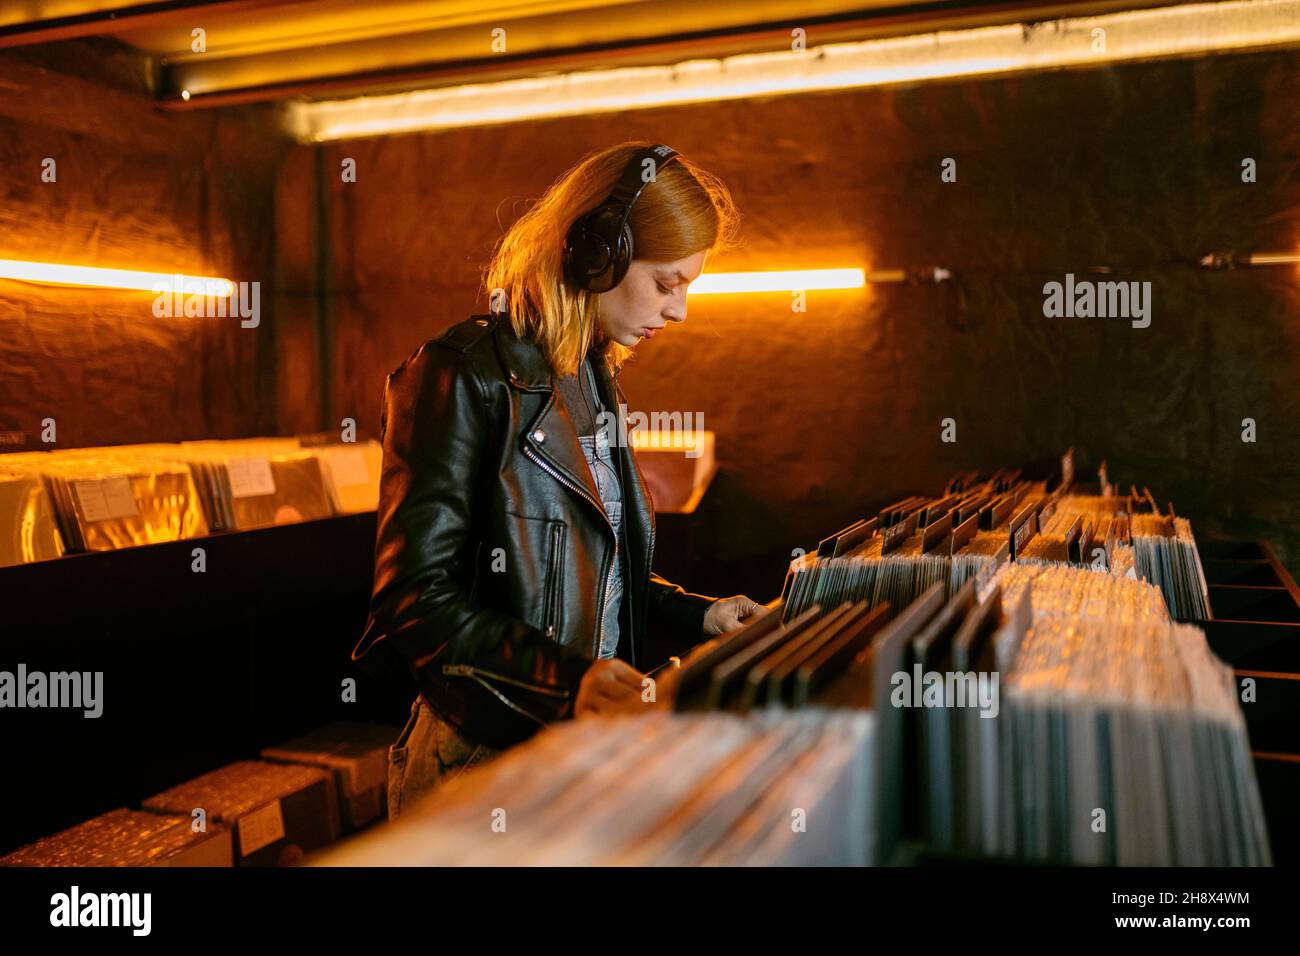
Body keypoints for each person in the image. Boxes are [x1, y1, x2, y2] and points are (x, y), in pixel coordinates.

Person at [352, 141, 770, 821]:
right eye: (667, 282)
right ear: (596, 253)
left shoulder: (594, 380)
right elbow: (412, 601)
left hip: (576, 746)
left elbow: (591, 584)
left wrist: (699, 614)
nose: (679, 311)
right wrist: (568, 681)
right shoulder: (460, 376)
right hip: (480, 761)